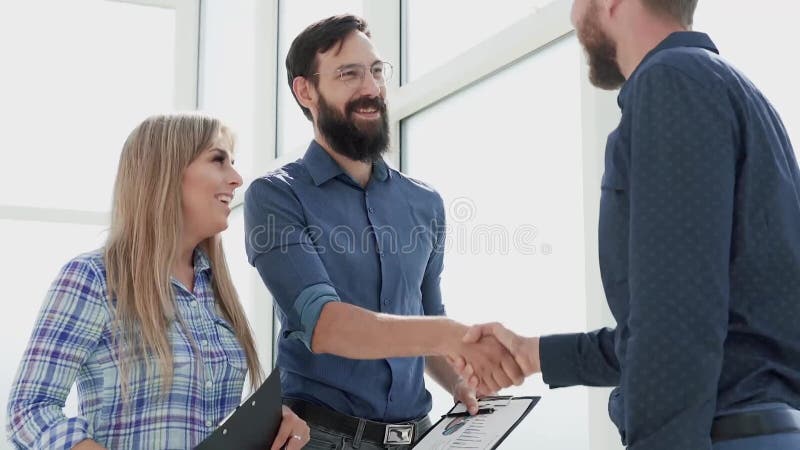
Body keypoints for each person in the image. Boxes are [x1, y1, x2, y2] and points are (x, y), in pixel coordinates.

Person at [456, 0, 800, 449]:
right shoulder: (729, 91)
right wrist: (534, 353)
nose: (574, 15)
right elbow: (693, 320)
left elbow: (676, 318)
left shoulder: (671, 82)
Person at [244, 15, 522, 449]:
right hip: (318, 438)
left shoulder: (424, 203)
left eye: (376, 71)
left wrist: (461, 383)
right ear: (305, 91)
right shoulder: (276, 197)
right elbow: (324, 325)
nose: (371, 89)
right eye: (348, 74)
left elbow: (423, 320)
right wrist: (453, 333)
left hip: (420, 436)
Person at [6, 114, 309, 450]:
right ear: (166, 171)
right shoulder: (94, 278)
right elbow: (28, 411)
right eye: (218, 160)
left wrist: (273, 427)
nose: (237, 179)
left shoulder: (216, 291)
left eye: (233, 164)